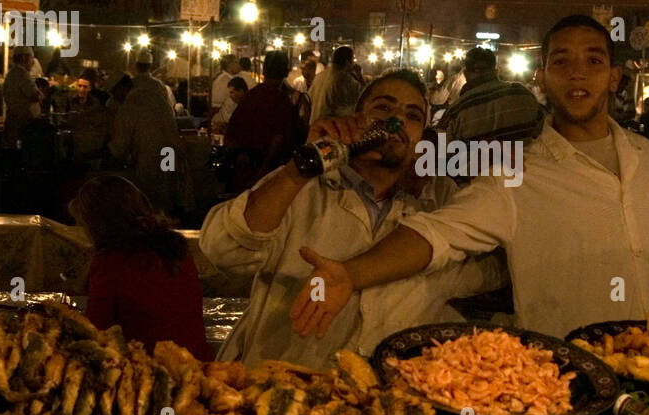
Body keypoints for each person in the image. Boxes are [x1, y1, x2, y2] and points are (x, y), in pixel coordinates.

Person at [287, 15, 649, 341]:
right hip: (569, 375)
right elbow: (437, 233)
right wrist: (350, 274)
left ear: (615, 77)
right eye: (561, 62)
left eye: (594, 60)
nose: (577, 73)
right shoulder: (514, 176)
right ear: (541, 77)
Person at [199, 69, 506, 366]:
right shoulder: (304, 187)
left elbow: (491, 266)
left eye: (413, 116)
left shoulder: (438, 202)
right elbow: (224, 249)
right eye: (383, 107)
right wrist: (301, 168)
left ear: (419, 142)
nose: (396, 119)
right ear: (355, 120)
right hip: (282, 388)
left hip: (385, 404)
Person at [72, 176, 211, 359]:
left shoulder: (111, 262)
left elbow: (97, 334)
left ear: (97, 226)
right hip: (197, 362)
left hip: (152, 369)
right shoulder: (175, 247)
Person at [108, 49, 184, 215]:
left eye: (115, 94)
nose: (115, 98)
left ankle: (158, 227)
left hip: (151, 156)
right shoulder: (156, 89)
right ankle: (169, 222)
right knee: (168, 186)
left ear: (121, 88)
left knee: (152, 198)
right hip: (169, 151)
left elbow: (118, 147)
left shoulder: (129, 104)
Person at [225, 50, 307, 189]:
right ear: (286, 71)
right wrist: (264, 168)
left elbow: (232, 133)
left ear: (264, 70)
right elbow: (280, 137)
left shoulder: (251, 96)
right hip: (273, 172)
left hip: (246, 169)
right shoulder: (286, 100)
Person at [439, 46, 546, 149]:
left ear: (466, 74)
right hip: (525, 166)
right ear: (495, 71)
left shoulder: (456, 110)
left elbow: (440, 154)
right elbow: (543, 132)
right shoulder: (522, 93)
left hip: (473, 167)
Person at [2, 47, 42, 148]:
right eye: (31, 58)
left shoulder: (11, 74)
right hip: (23, 125)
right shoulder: (22, 74)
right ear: (24, 58)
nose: (33, 62)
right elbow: (35, 95)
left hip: (13, 123)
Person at [308, 46, 361, 120]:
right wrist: (360, 77)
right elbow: (357, 106)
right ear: (347, 62)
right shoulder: (346, 80)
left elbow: (308, 100)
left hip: (314, 126)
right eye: (352, 62)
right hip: (332, 128)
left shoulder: (319, 77)